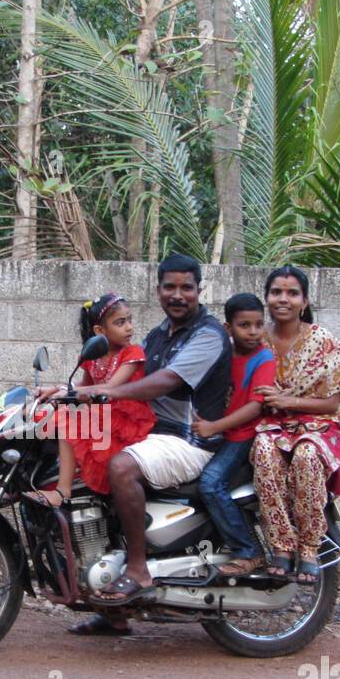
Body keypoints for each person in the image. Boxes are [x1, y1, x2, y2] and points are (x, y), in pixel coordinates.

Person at [68, 253, 230, 633]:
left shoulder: (208, 335)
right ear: (157, 291)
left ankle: (139, 571)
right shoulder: (157, 336)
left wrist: (107, 392)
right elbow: (118, 372)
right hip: (155, 433)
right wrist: (61, 392)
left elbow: (166, 382)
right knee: (85, 474)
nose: (178, 295)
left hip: (188, 440)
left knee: (121, 467)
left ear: (198, 291)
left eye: (186, 288)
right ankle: (114, 611)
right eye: (170, 287)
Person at [251, 265, 340, 586]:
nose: (283, 299)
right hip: (270, 427)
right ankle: (282, 545)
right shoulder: (257, 340)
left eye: (292, 293)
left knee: (306, 455)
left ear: (304, 300)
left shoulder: (322, 340)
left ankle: (310, 548)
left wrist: (289, 402)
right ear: (267, 298)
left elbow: (338, 402)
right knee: (262, 448)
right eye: (276, 292)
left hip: (316, 427)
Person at [26, 294, 155, 504]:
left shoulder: (132, 353)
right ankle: (22, 482)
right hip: (102, 415)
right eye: (120, 323)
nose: (129, 328)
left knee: (66, 420)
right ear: (99, 332)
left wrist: (70, 394)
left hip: (126, 420)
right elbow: (83, 386)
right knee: (39, 416)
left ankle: (62, 492)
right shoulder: (92, 356)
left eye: (130, 320)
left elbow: (111, 388)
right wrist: (57, 389)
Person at [192, 293, 277, 576]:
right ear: (229, 328)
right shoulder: (223, 352)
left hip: (242, 435)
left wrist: (214, 427)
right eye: (245, 325)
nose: (253, 332)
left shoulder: (263, 358)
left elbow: (255, 407)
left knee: (210, 483)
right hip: (221, 434)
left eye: (258, 324)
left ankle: (248, 551)